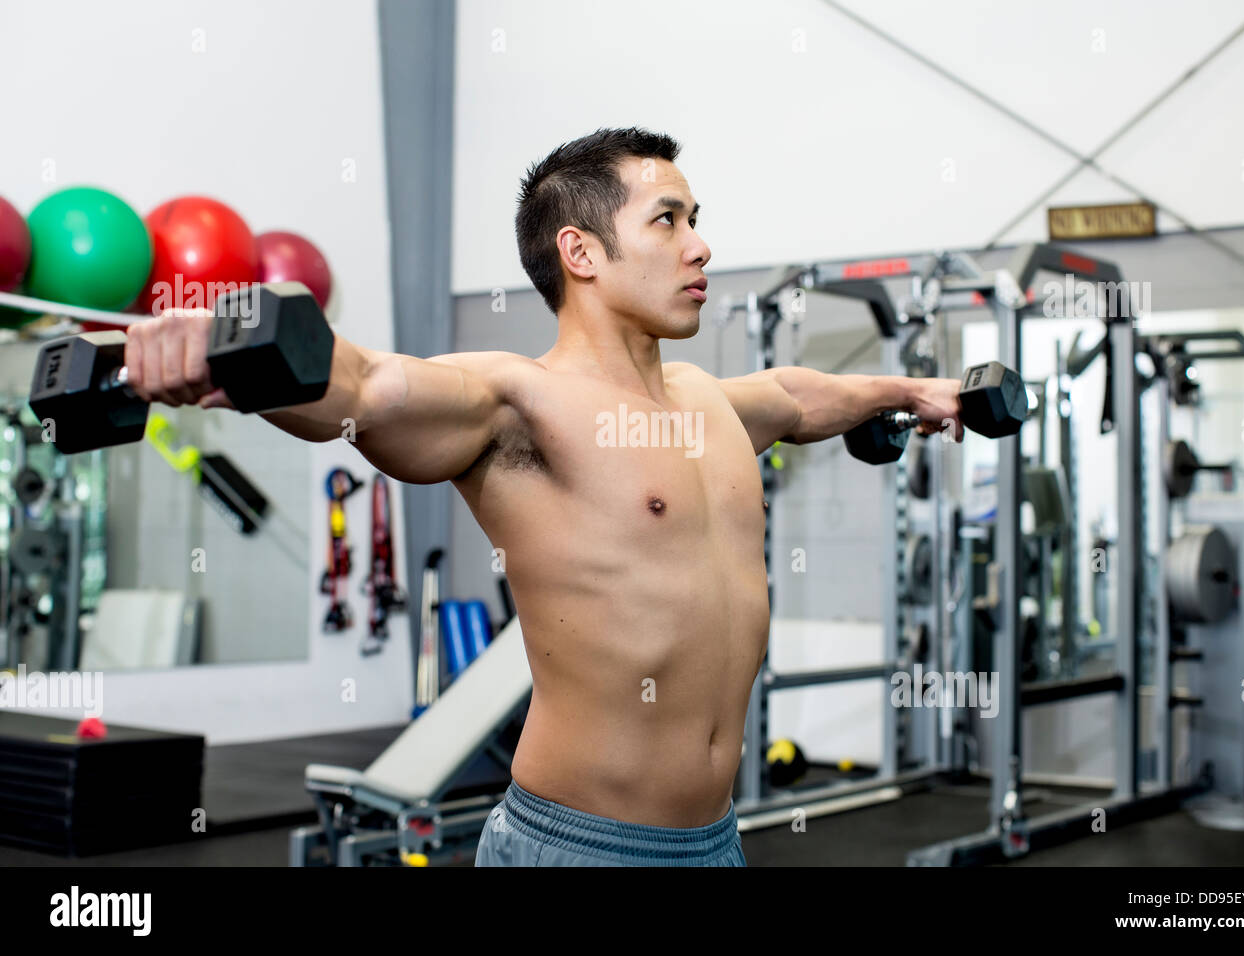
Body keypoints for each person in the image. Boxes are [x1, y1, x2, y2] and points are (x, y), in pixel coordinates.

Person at [125, 127, 962, 866]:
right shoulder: (517, 402)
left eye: (696, 218)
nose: (699, 245)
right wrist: (225, 349)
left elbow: (800, 394)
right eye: (668, 219)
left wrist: (906, 390)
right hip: (579, 847)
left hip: (717, 840)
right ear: (582, 252)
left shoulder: (712, 403)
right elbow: (367, 386)